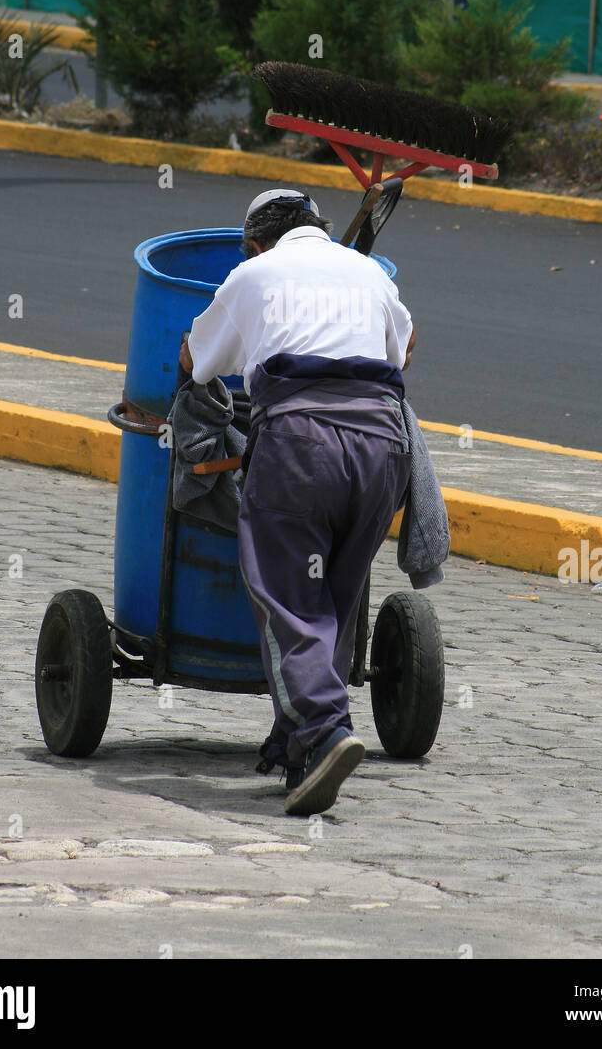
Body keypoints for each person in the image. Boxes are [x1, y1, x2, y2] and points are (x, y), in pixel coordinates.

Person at [180, 189, 416, 816]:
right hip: (381, 444)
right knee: (335, 596)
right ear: (319, 228)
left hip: (300, 444)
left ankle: (323, 729)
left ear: (256, 241)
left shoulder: (251, 273)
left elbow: (195, 360)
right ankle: (300, 748)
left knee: (288, 595)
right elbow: (405, 351)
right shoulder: (366, 271)